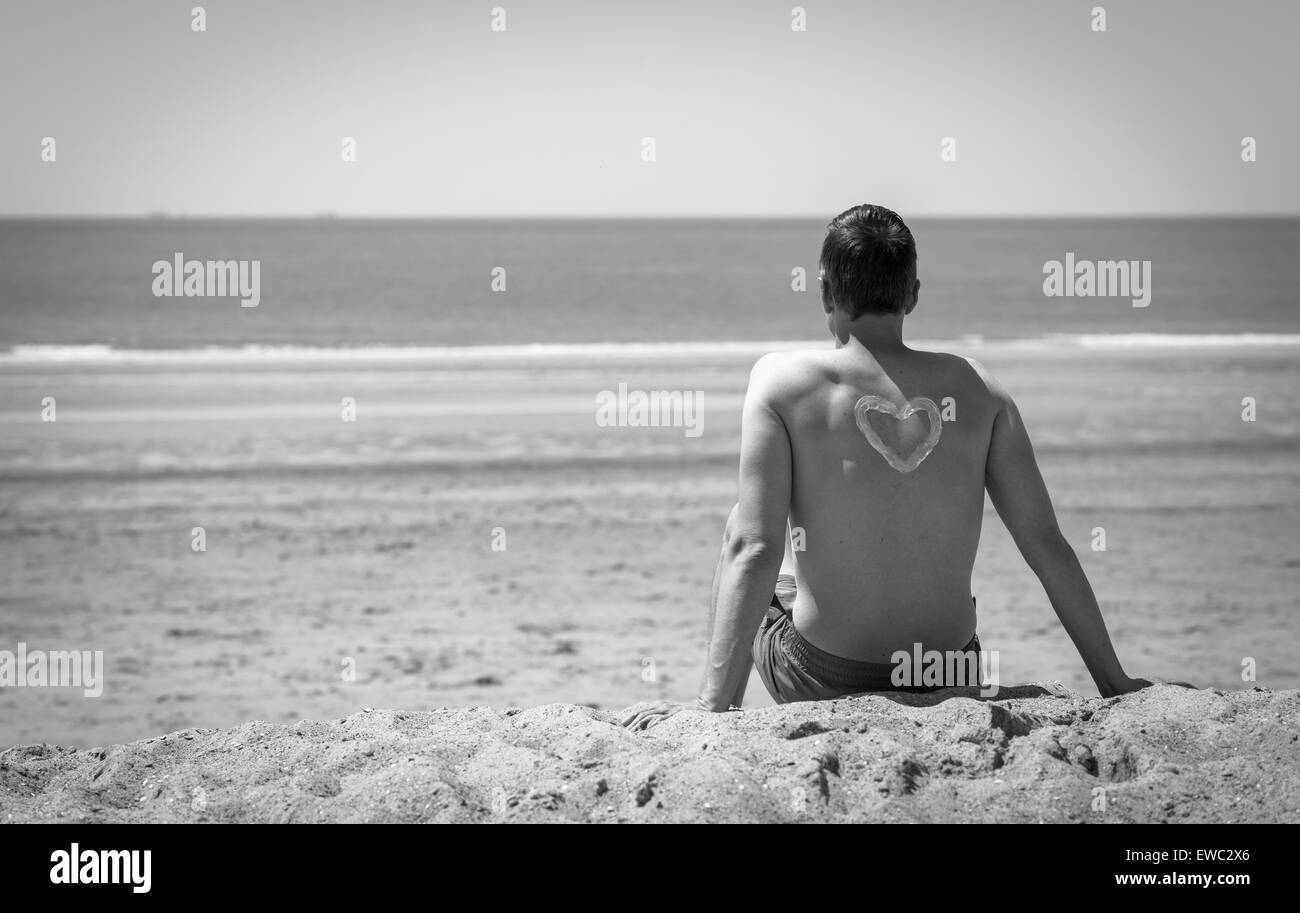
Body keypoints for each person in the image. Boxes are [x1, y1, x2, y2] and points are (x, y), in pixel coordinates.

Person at [622, 204, 1151, 730]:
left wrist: (707, 709)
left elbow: (755, 548)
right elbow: (1045, 542)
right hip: (953, 673)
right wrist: (1116, 684)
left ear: (826, 290)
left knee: (744, 519)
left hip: (823, 678)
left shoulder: (781, 382)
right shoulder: (978, 387)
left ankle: (720, 707)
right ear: (913, 294)